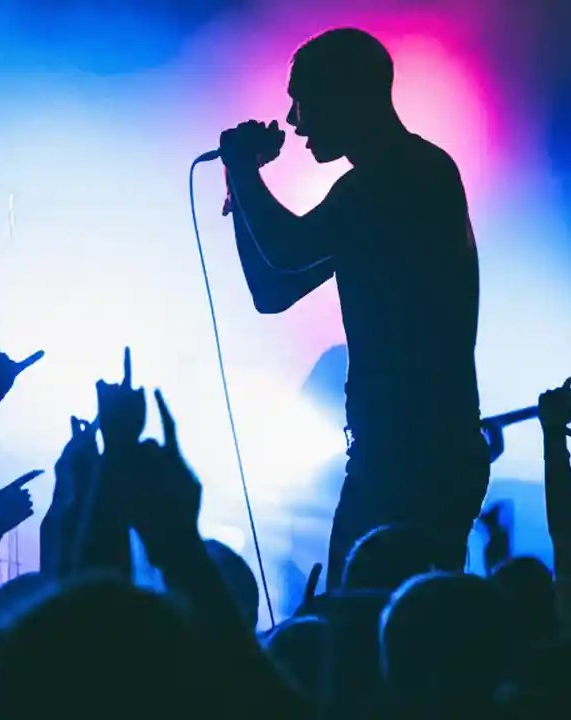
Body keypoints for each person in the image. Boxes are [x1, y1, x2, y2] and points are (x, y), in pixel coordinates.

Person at [218, 27, 486, 582]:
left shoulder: (400, 176)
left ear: (344, 96)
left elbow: (286, 250)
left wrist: (244, 172)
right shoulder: (388, 184)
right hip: (409, 450)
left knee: (364, 612)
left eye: (302, 100)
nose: (293, 121)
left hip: (412, 455)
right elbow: (273, 291)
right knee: (375, 609)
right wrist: (240, 186)